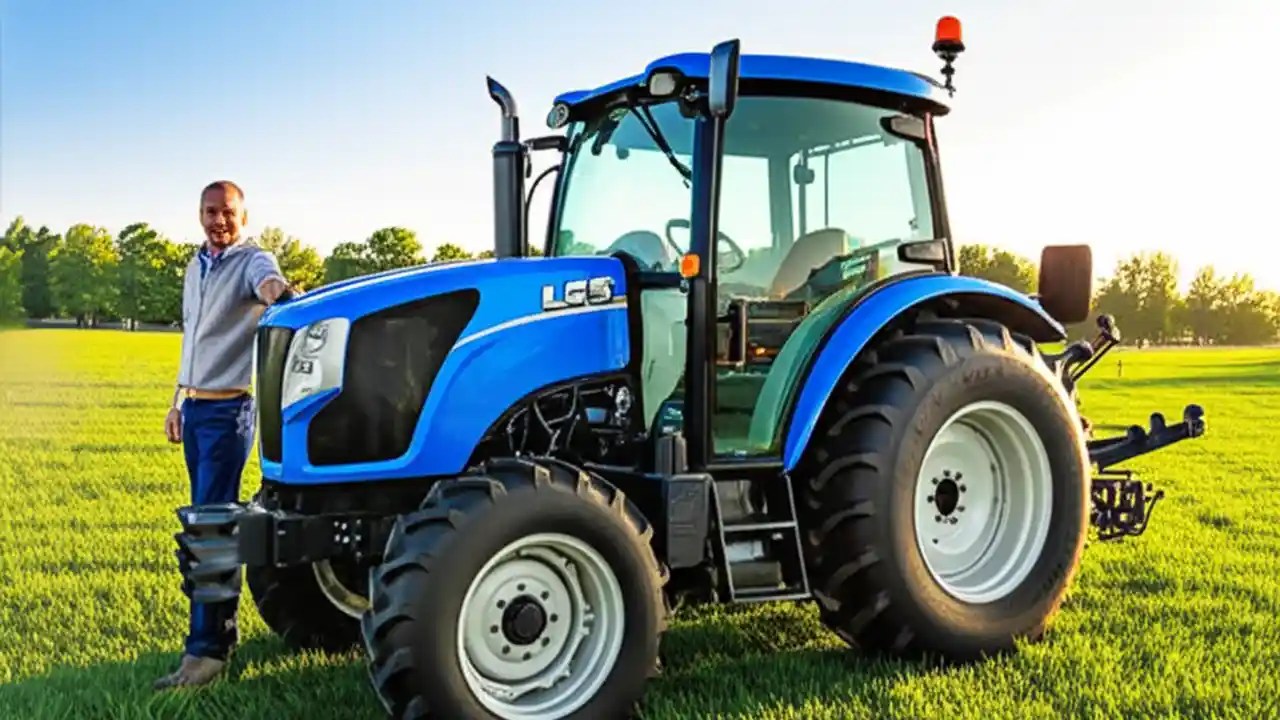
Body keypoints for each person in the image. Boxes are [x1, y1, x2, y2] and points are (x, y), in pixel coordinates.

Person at [154, 180, 296, 689]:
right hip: (195, 412)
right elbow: (191, 339)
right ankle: (218, 637)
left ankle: (206, 654)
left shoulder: (252, 260)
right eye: (211, 212)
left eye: (228, 213)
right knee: (205, 523)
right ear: (199, 213)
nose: (219, 221)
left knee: (210, 530)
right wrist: (177, 402)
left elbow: (270, 283)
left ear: (243, 215)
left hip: (229, 413)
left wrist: (278, 294)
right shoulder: (195, 266)